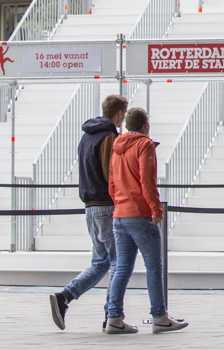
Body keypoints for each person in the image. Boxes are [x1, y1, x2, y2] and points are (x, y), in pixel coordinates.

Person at [105, 108, 188, 334]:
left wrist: (120, 203)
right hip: (140, 214)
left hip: (120, 214)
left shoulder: (117, 147)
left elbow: (112, 183)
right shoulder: (145, 145)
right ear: (146, 125)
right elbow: (146, 180)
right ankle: (159, 316)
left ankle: (113, 318)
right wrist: (155, 208)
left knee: (122, 267)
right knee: (153, 266)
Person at [50, 94, 128, 330]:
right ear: (118, 113)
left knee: (100, 262)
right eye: (123, 113)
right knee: (117, 262)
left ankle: (65, 297)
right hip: (106, 205)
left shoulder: (87, 136)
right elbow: (110, 174)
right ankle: (112, 317)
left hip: (90, 206)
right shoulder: (109, 136)